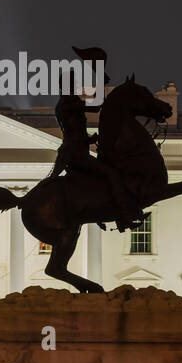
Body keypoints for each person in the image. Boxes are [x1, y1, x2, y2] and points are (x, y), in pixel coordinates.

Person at [49, 46, 143, 229]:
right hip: (76, 154)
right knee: (112, 174)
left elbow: (76, 129)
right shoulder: (66, 104)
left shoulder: (69, 102)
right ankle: (125, 214)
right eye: (73, 83)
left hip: (78, 149)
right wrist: (100, 80)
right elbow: (96, 106)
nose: (76, 86)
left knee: (103, 175)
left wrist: (90, 140)